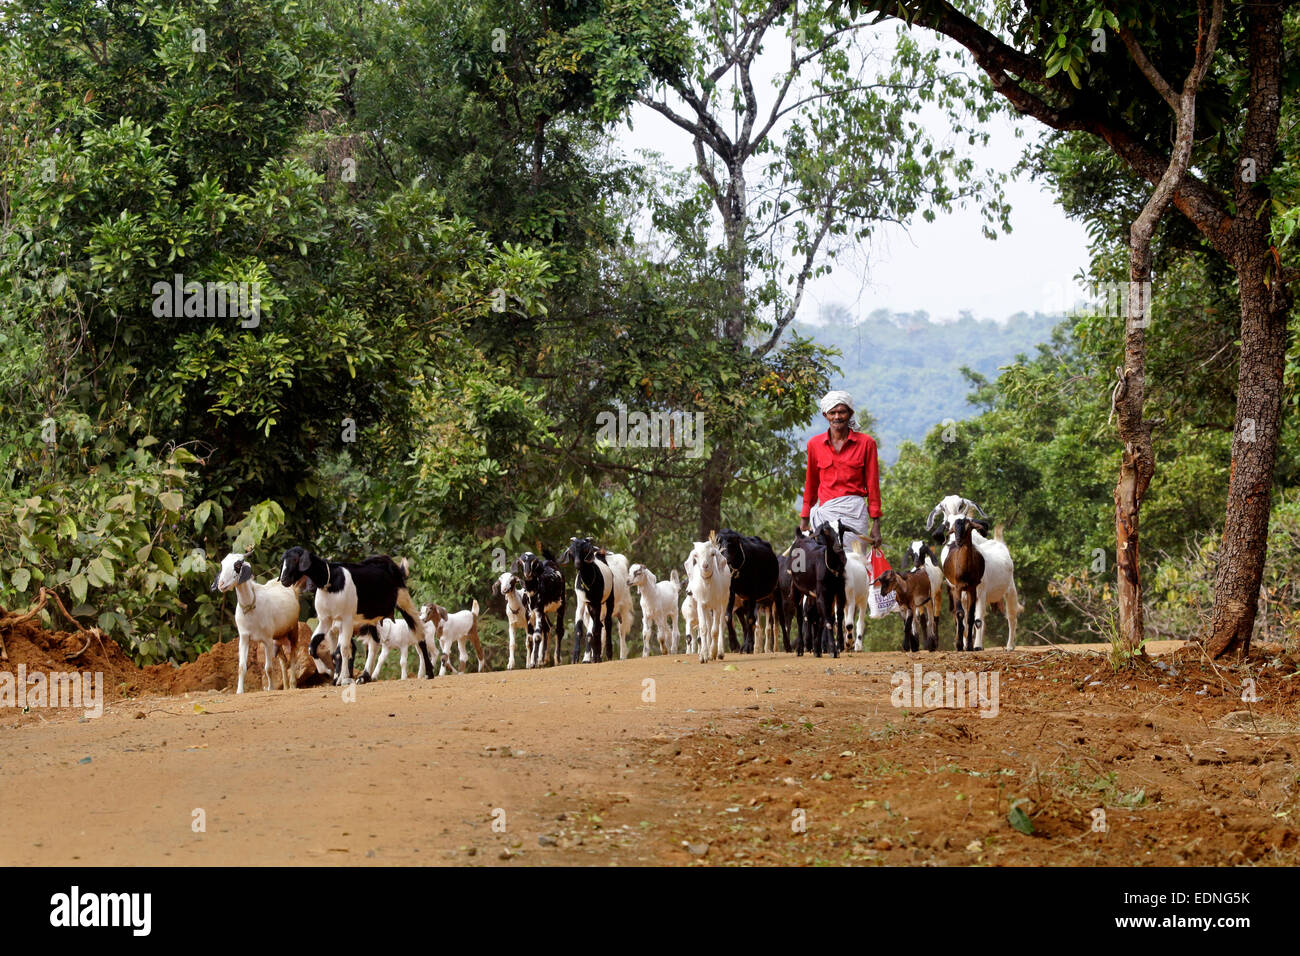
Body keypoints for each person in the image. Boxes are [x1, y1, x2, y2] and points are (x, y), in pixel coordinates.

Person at [799, 390, 882, 549]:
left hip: (854, 515)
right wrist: (804, 519)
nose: (837, 417)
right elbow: (811, 484)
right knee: (825, 565)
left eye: (842, 412)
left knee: (854, 565)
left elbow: (873, 486)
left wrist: (876, 525)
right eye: (832, 413)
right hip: (825, 517)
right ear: (825, 415)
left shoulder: (866, 443)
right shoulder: (814, 444)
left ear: (850, 413)